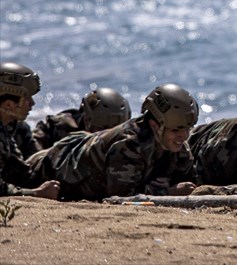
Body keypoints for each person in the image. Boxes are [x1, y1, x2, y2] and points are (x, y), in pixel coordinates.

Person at [30, 83, 199, 201]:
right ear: (155, 125)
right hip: (50, 166)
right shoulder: (129, 143)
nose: (183, 136)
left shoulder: (178, 148)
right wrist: (167, 192)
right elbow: (121, 196)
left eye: (188, 128)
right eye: (176, 130)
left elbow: (189, 182)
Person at [0, 62, 60, 198]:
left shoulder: (11, 126)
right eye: (27, 99)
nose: (32, 104)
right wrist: (37, 193)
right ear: (9, 105)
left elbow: (20, 170)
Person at [32, 87, 132, 150]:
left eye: (114, 131)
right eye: (103, 129)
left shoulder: (126, 138)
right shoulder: (59, 126)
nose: (108, 135)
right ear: (87, 120)